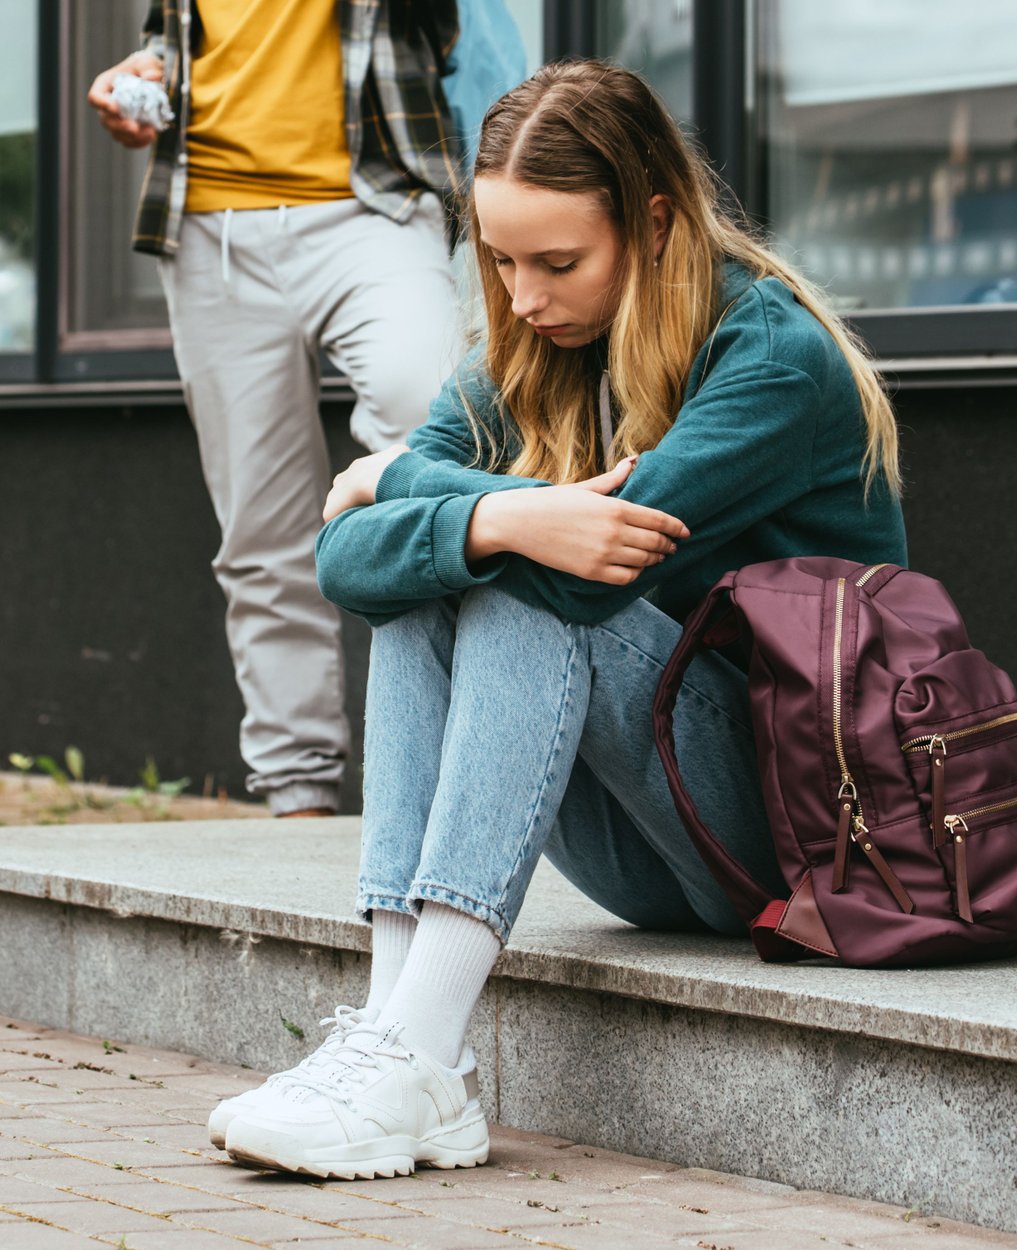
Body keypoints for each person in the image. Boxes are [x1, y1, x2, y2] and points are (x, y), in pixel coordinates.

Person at [207, 59, 908, 1178]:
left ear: (655, 221)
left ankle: (419, 1049)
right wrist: (505, 512)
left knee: (514, 585)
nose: (522, 294)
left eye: (557, 262)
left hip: (795, 839)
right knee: (442, 577)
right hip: (645, 847)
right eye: (498, 259)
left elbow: (584, 579)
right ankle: (393, 1030)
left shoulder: (769, 355)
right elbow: (344, 563)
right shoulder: (532, 349)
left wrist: (404, 479)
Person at [87, 0, 467, 818]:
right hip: (209, 224)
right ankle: (299, 793)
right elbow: (182, 34)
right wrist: (148, 73)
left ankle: (451, 765)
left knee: (433, 452)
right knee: (261, 531)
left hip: (374, 204)